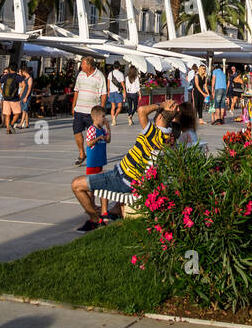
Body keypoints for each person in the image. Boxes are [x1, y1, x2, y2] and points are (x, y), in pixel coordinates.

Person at [71, 98, 179, 230]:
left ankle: (95, 220)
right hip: (125, 175)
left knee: (76, 185)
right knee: (100, 174)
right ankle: (109, 213)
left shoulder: (154, 133)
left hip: (123, 178)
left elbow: (141, 110)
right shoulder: (168, 137)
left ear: (160, 115)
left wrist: (160, 105)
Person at [79, 105, 112, 228]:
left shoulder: (102, 129)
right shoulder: (92, 129)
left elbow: (108, 140)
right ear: (96, 117)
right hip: (92, 163)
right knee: (91, 188)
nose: (104, 119)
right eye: (103, 117)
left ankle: (99, 208)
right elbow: (88, 143)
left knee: (99, 186)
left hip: (100, 162)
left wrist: (108, 128)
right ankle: (91, 207)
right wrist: (98, 138)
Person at [72, 57, 107, 164]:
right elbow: (76, 91)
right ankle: (82, 153)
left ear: (89, 65)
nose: (81, 66)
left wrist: (101, 109)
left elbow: (104, 94)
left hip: (92, 112)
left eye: (82, 64)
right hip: (79, 109)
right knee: (77, 131)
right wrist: (73, 105)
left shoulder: (100, 76)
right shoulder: (80, 75)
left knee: (93, 135)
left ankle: (94, 155)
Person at [0, 63, 22, 135]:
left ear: (10, 69)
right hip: (14, 98)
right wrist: (20, 94)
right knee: (17, 113)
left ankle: (8, 129)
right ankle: (11, 124)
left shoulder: (5, 76)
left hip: (6, 98)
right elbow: (23, 84)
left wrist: (2, 92)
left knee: (7, 114)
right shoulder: (17, 76)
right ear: (16, 69)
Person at [17, 63, 34, 130]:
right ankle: (27, 124)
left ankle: (21, 124)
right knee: (25, 110)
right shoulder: (24, 78)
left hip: (27, 95)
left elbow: (29, 88)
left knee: (24, 110)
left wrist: (26, 97)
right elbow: (21, 86)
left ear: (24, 71)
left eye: (22, 72)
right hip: (23, 95)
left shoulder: (30, 78)